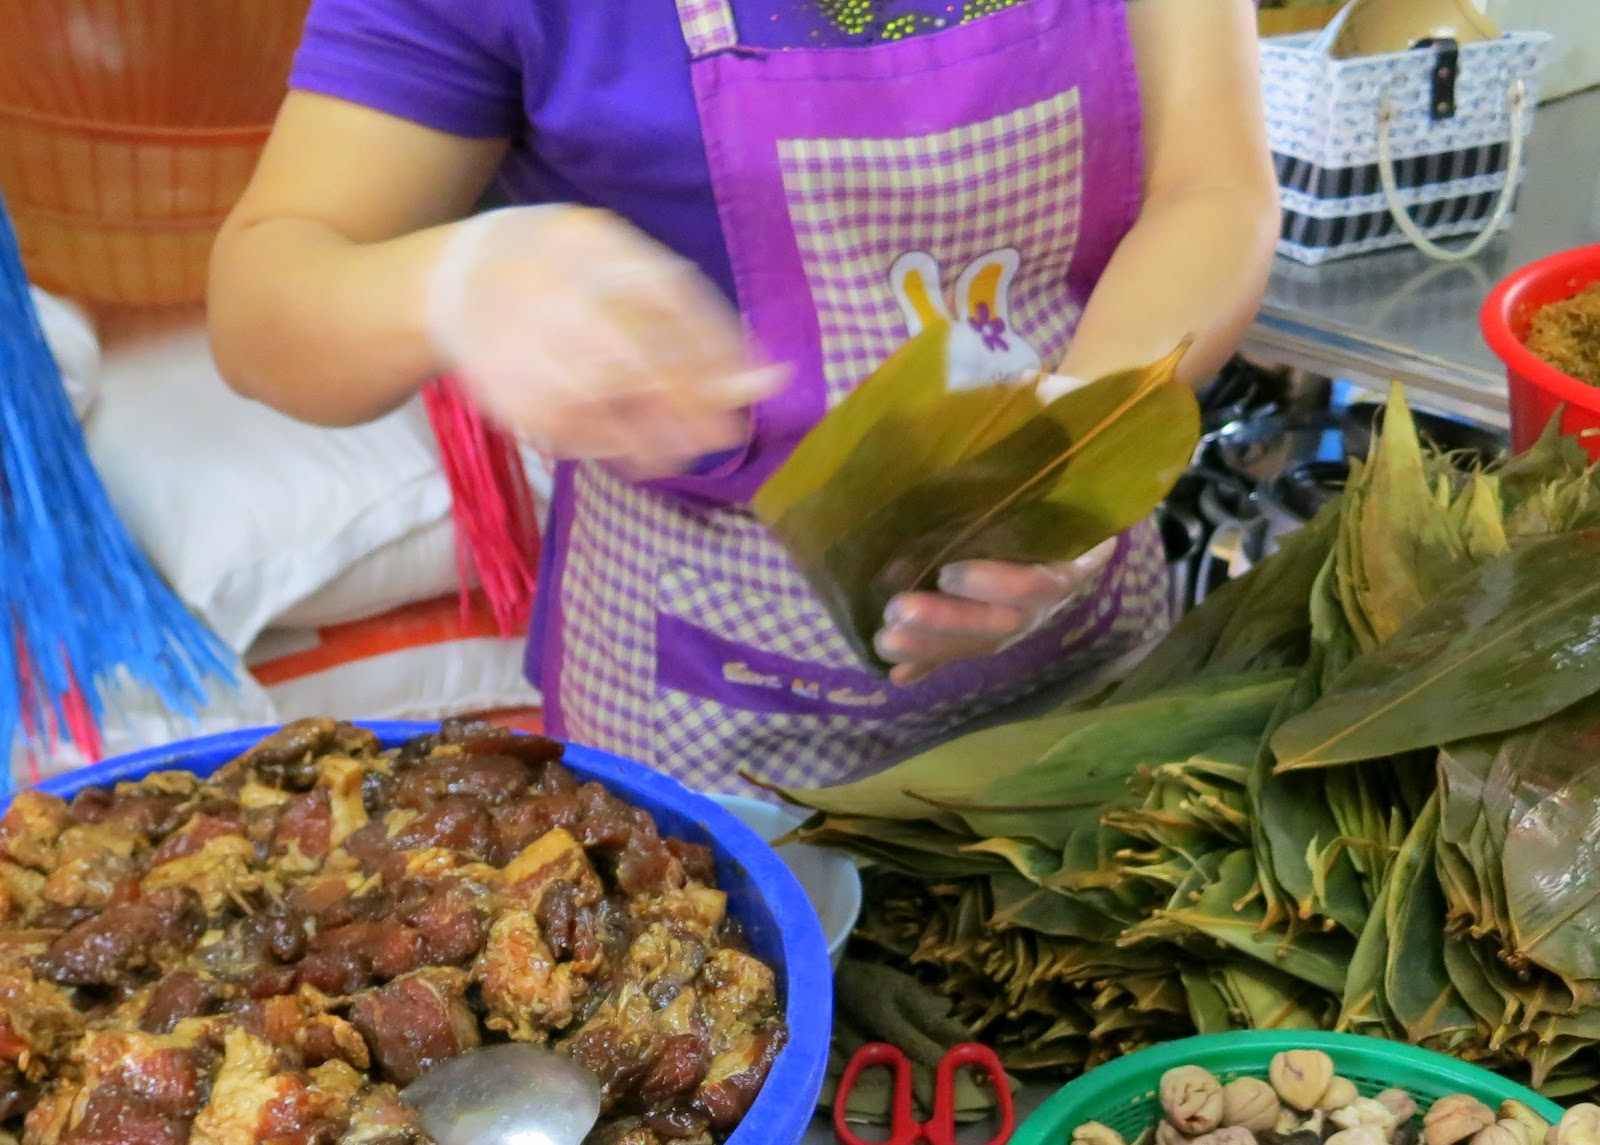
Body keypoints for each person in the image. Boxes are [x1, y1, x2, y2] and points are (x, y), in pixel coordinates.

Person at [210, 0, 1280, 794]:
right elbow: (264, 305)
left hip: (1081, 639)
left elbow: (1212, 186)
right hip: (700, 682)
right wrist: (450, 279)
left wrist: (1071, 452)